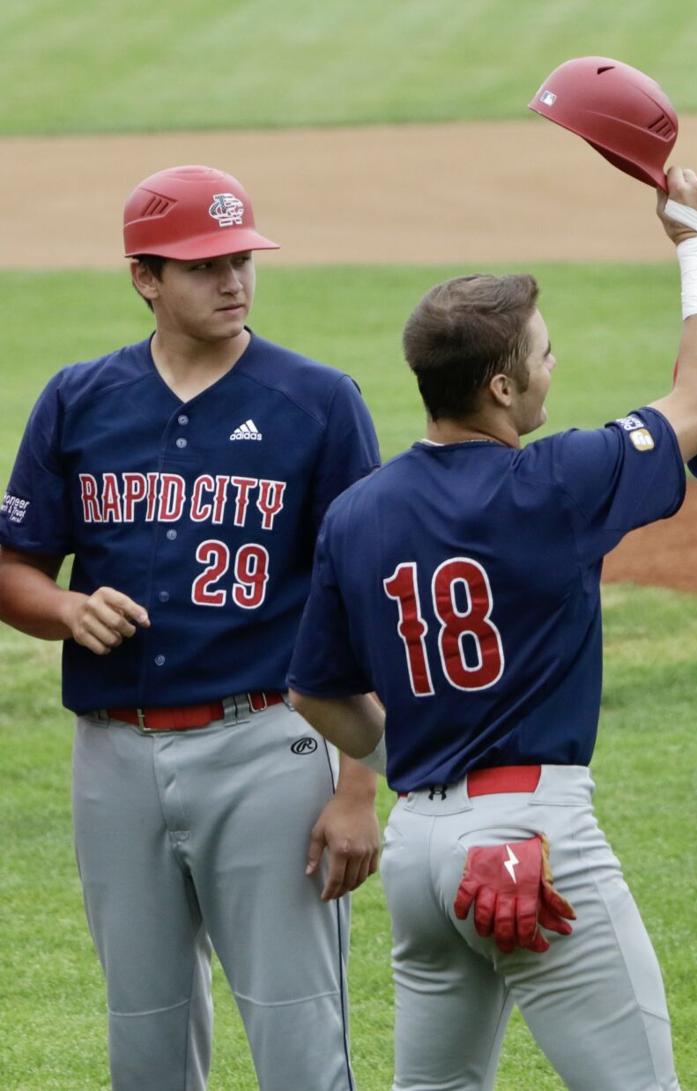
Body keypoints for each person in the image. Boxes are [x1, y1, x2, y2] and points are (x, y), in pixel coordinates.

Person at [284, 166, 697, 1091]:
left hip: (418, 848)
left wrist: (402, 750)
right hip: (532, 835)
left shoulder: (359, 514)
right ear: (500, 386)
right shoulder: (556, 481)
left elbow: (314, 690)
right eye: (541, 354)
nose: (552, 367)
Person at [0, 164, 381, 1091]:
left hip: (269, 748)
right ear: (146, 278)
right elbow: (14, 568)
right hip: (113, 757)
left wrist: (359, 785)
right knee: (144, 1033)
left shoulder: (320, 402)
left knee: (297, 1029)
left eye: (242, 258)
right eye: (205, 264)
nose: (234, 281)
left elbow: (369, 605)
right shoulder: (78, 399)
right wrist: (64, 608)